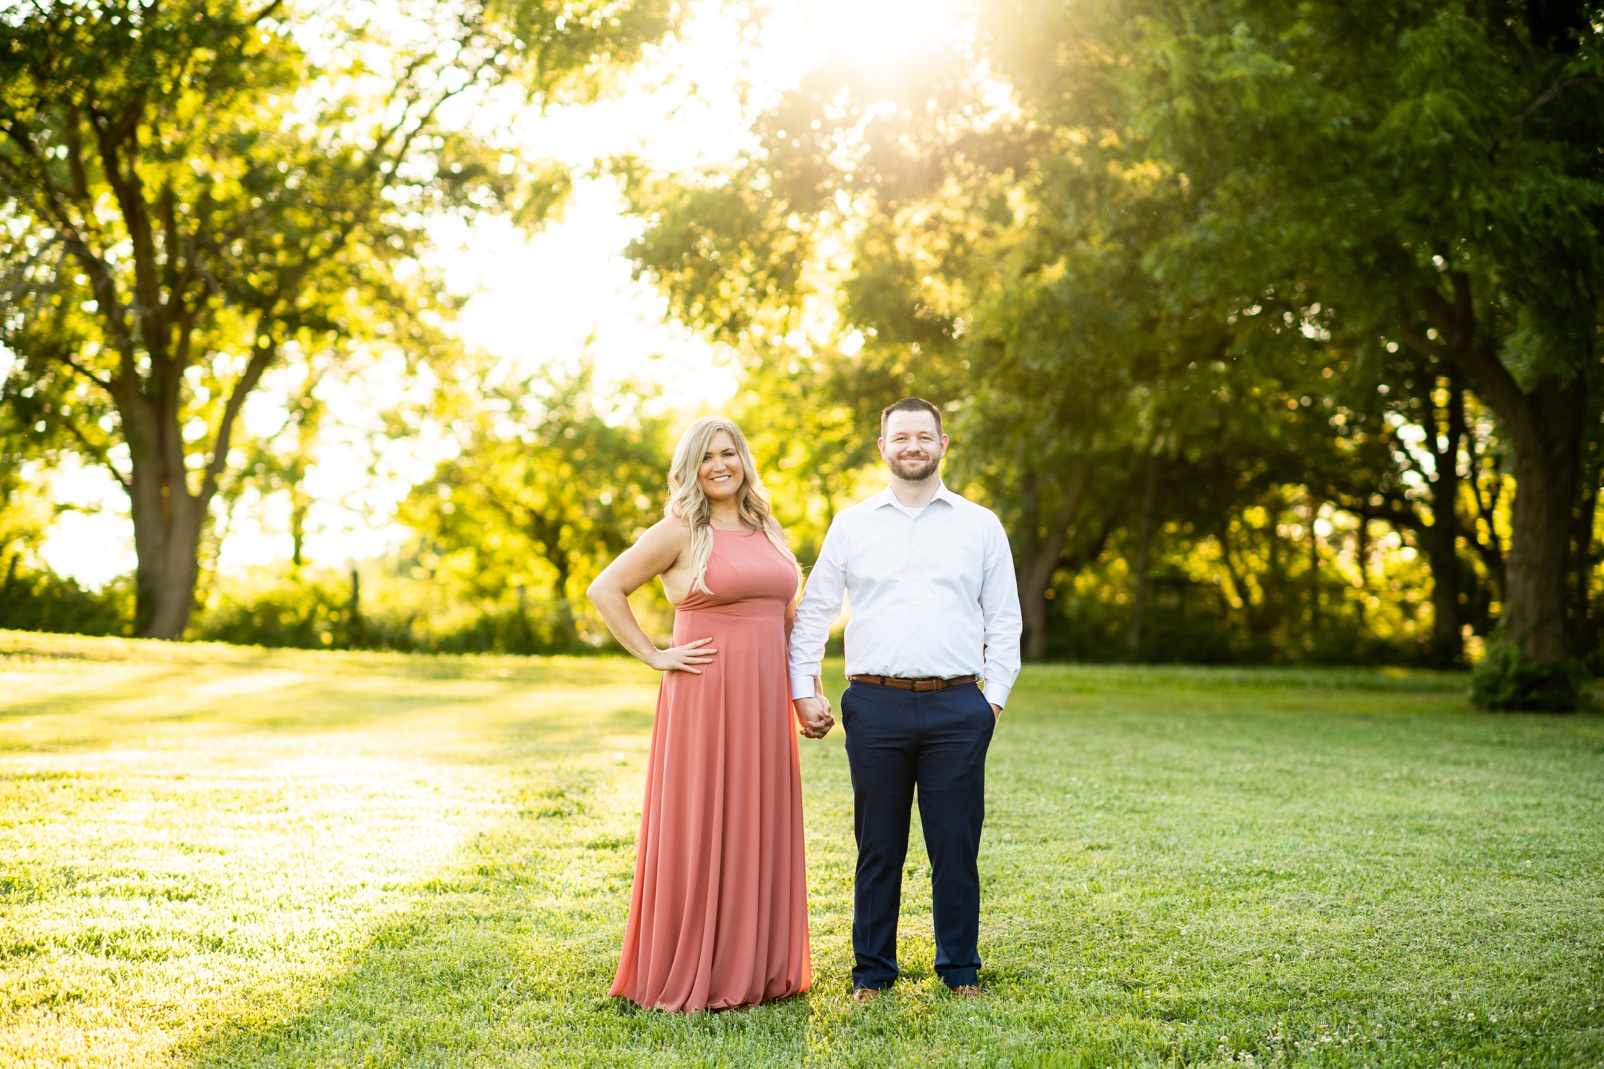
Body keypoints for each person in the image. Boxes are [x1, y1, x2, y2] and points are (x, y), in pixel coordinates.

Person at [588, 416, 834, 1012]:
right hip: (705, 696)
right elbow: (605, 589)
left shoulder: (767, 526)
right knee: (703, 822)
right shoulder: (680, 530)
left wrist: (808, 692)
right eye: (706, 456)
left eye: (728, 453)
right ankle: (701, 965)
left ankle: (761, 966)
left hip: (765, 700)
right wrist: (654, 654)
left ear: (743, 459)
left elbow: (789, 620)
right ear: (689, 469)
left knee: (758, 819)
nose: (719, 465)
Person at [789, 397, 1022, 1001]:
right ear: (883, 447)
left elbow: (1005, 619)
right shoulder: (852, 524)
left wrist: (991, 703)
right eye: (900, 437)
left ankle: (960, 971)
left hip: (958, 707)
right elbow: (813, 613)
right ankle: (872, 974)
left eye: (923, 436)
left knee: (955, 846)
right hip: (875, 704)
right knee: (878, 846)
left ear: (942, 444)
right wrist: (802, 688)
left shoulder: (980, 525)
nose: (912, 446)